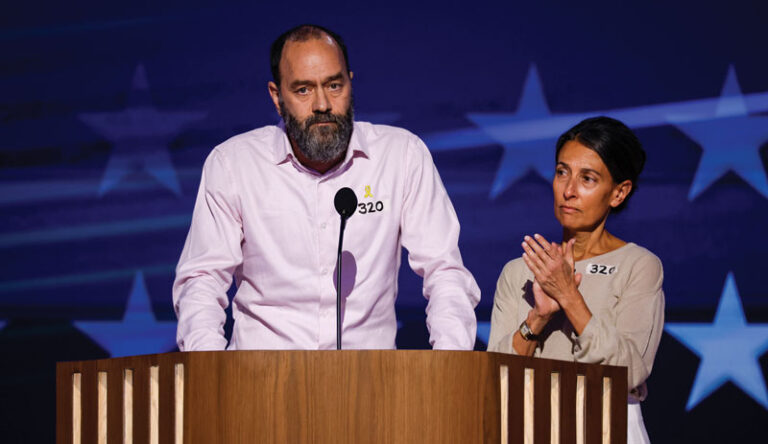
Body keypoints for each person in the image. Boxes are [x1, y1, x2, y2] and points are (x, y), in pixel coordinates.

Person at [173, 24, 480, 351]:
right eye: (303, 90)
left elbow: (444, 271)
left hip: (371, 376)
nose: (322, 104)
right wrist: (212, 372)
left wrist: (450, 362)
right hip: (260, 376)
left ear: (350, 83)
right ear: (277, 97)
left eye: (334, 85)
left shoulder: (401, 156)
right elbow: (202, 282)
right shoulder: (233, 164)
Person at [486, 116, 664, 443]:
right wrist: (537, 318)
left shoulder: (639, 265)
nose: (568, 191)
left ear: (619, 193)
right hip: (529, 425)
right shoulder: (520, 271)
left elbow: (628, 373)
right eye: (561, 172)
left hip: (608, 425)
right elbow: (494, 377)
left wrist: (569, 296)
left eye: (588, 179)